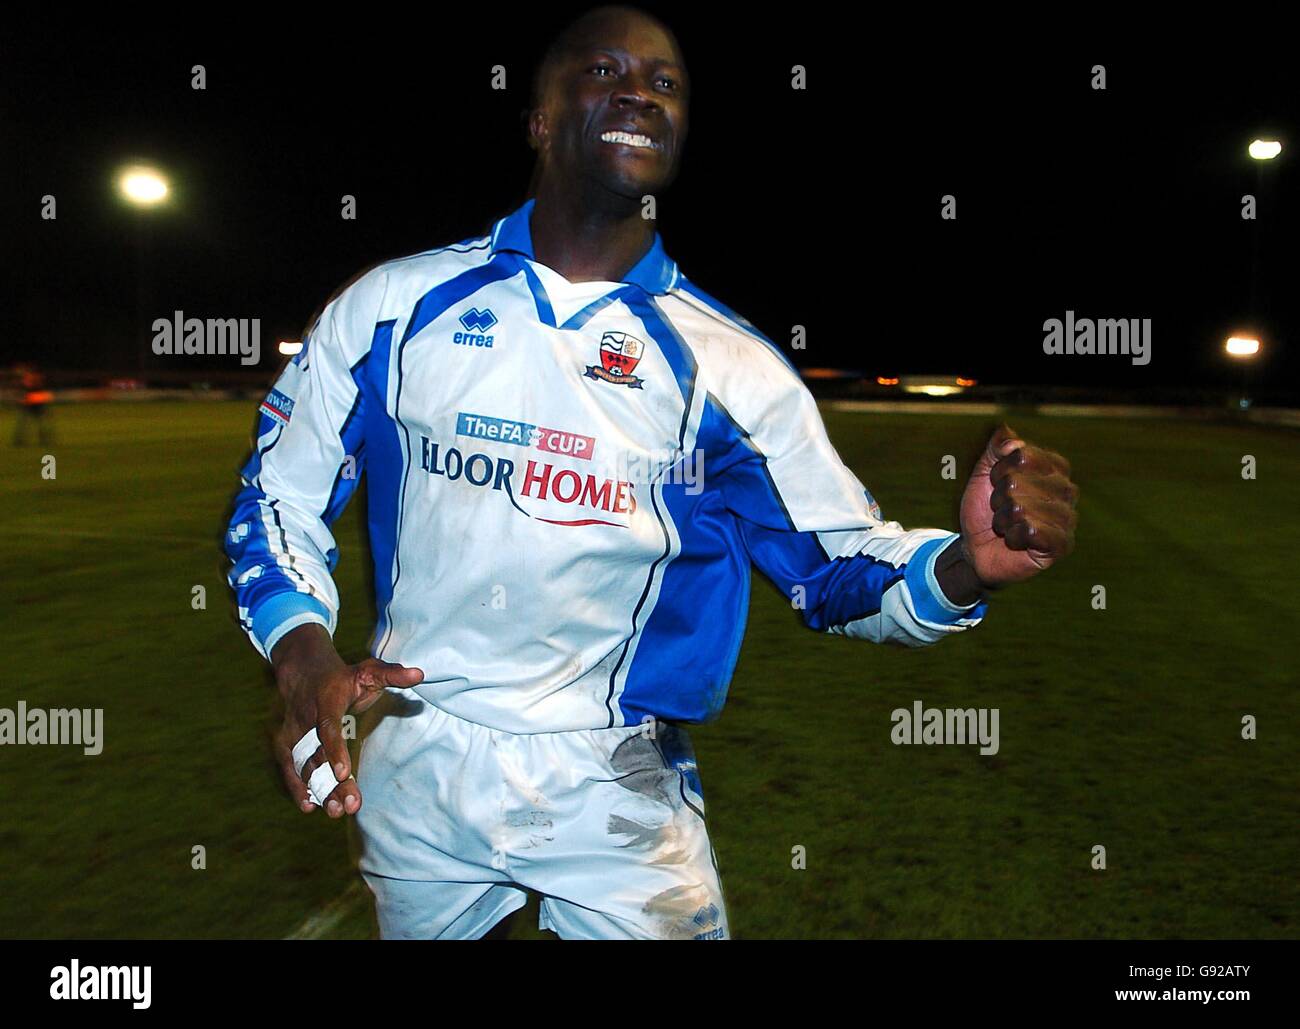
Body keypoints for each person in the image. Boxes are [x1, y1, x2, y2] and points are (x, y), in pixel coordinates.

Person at [224, 5, 1078, 940]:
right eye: (603, 72)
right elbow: (279, 491)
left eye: (665, 83)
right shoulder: (394, 308)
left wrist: (964, 566)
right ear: (540, 117)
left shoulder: (731, 368)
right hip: (418, 755)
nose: (639, 92)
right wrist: (300, 649)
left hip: (615, 783)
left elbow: (833, 569)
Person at [11, 364, 54, 447]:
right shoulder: (38, 378)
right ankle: (43, 440)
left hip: (32, 402)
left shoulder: (30, 378)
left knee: (25, 423)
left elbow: (27, 388)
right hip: (35, 402)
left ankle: (19, 440)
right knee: (38, 423)